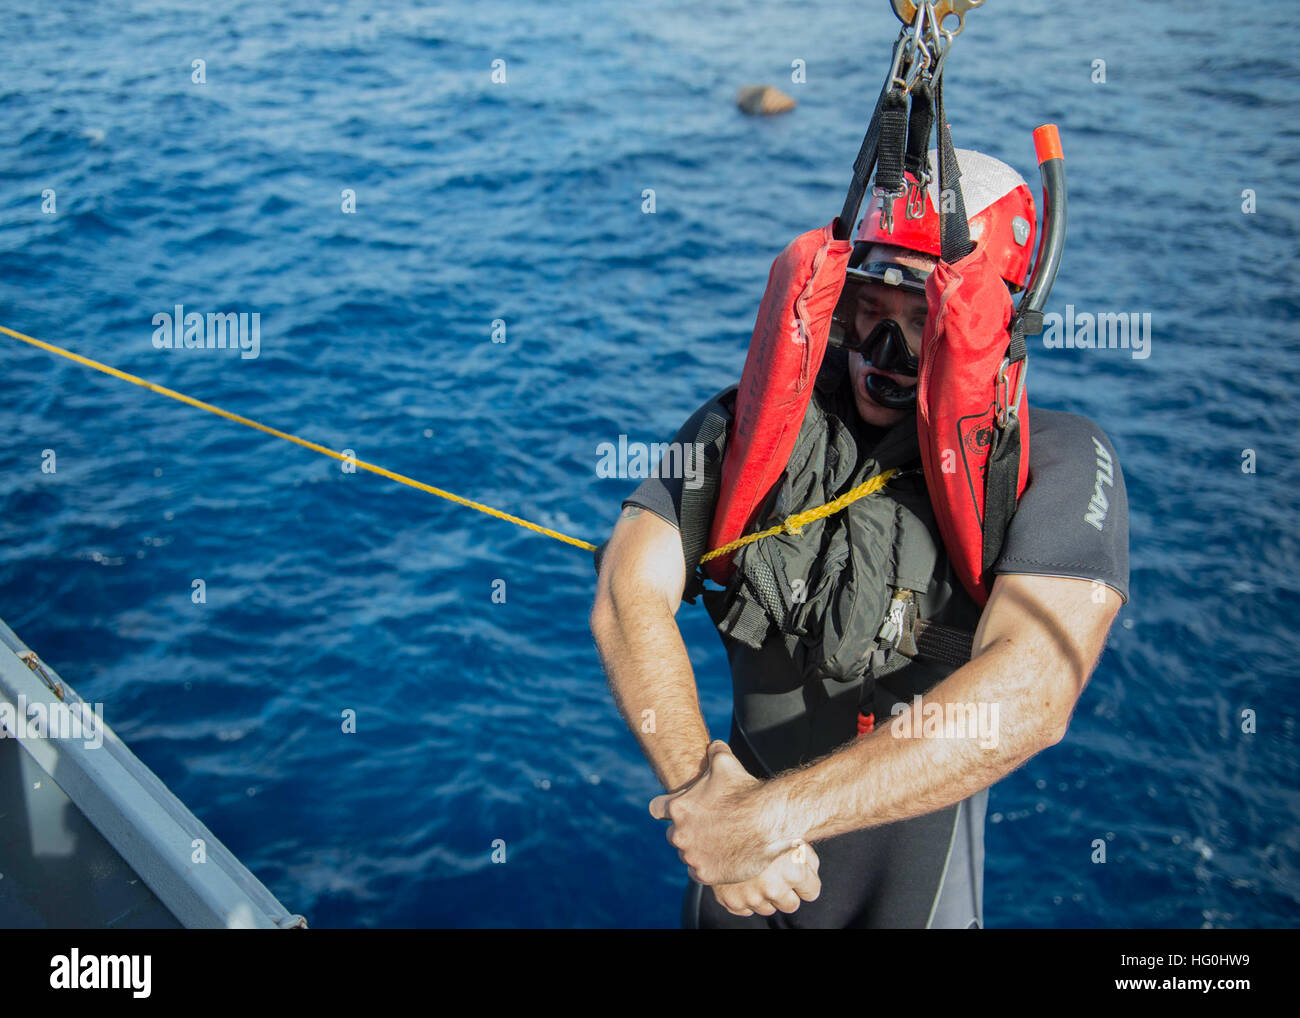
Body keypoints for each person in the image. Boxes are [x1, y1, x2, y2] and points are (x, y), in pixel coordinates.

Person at [590, 150, 1129, 928]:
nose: (886, 353)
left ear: (991, 322)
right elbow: (625, 592)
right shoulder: (751, 429)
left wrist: (770, 818)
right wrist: (704, 791)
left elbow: (1036, 692)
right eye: (871, 312)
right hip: (736, 882)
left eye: (923, 323)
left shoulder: (1061, 462)